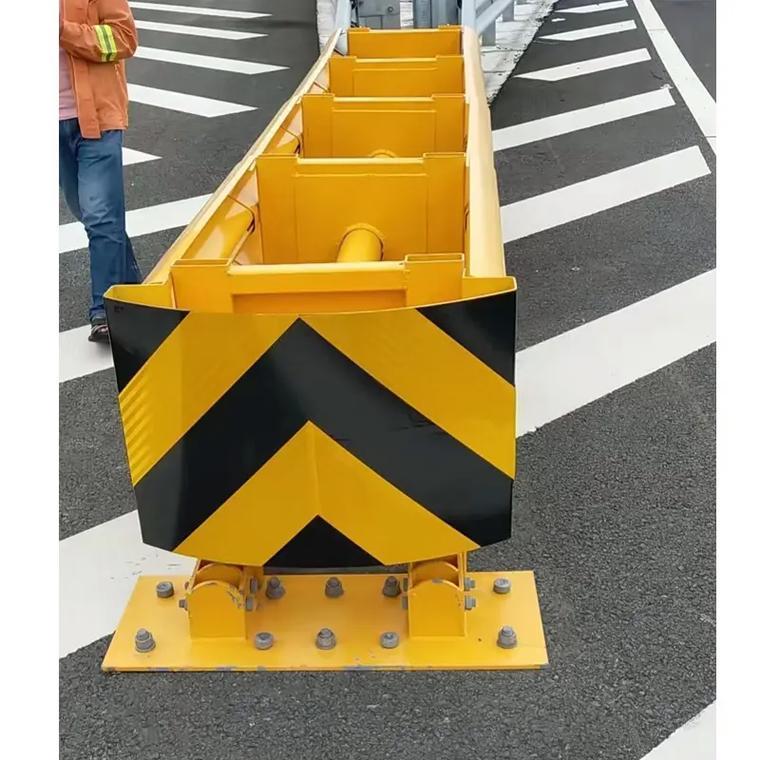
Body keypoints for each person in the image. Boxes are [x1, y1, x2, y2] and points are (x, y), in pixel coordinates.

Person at [59, 0, 141, 343]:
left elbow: (124, 38)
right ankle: (132, 289)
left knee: (100, 215)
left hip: (97, 118)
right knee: (88, 211)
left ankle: (106, 311)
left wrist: (63, 31)